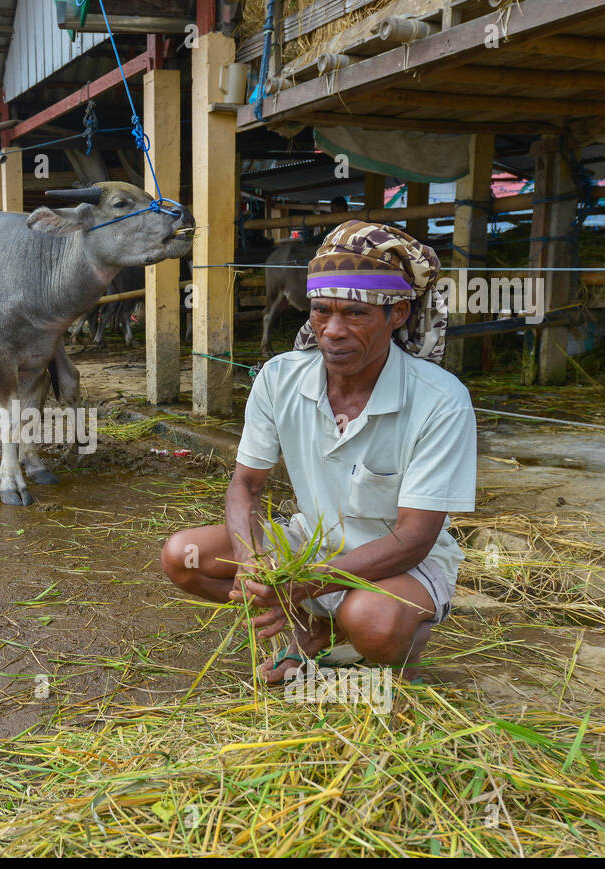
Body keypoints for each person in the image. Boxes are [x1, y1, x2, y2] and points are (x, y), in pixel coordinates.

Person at [160, 221, 475, 686]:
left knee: (372, 621)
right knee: (181, 554)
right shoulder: (279, 378)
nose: (332, 331)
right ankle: (314, 629)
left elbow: (414, 538)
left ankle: (394, 643)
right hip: (313, 542)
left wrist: (295, 586)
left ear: (399, 313)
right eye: (321, 311)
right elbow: (245, 485)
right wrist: (252, 563)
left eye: (355, 314)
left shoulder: (439, 400)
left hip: (401, 563)